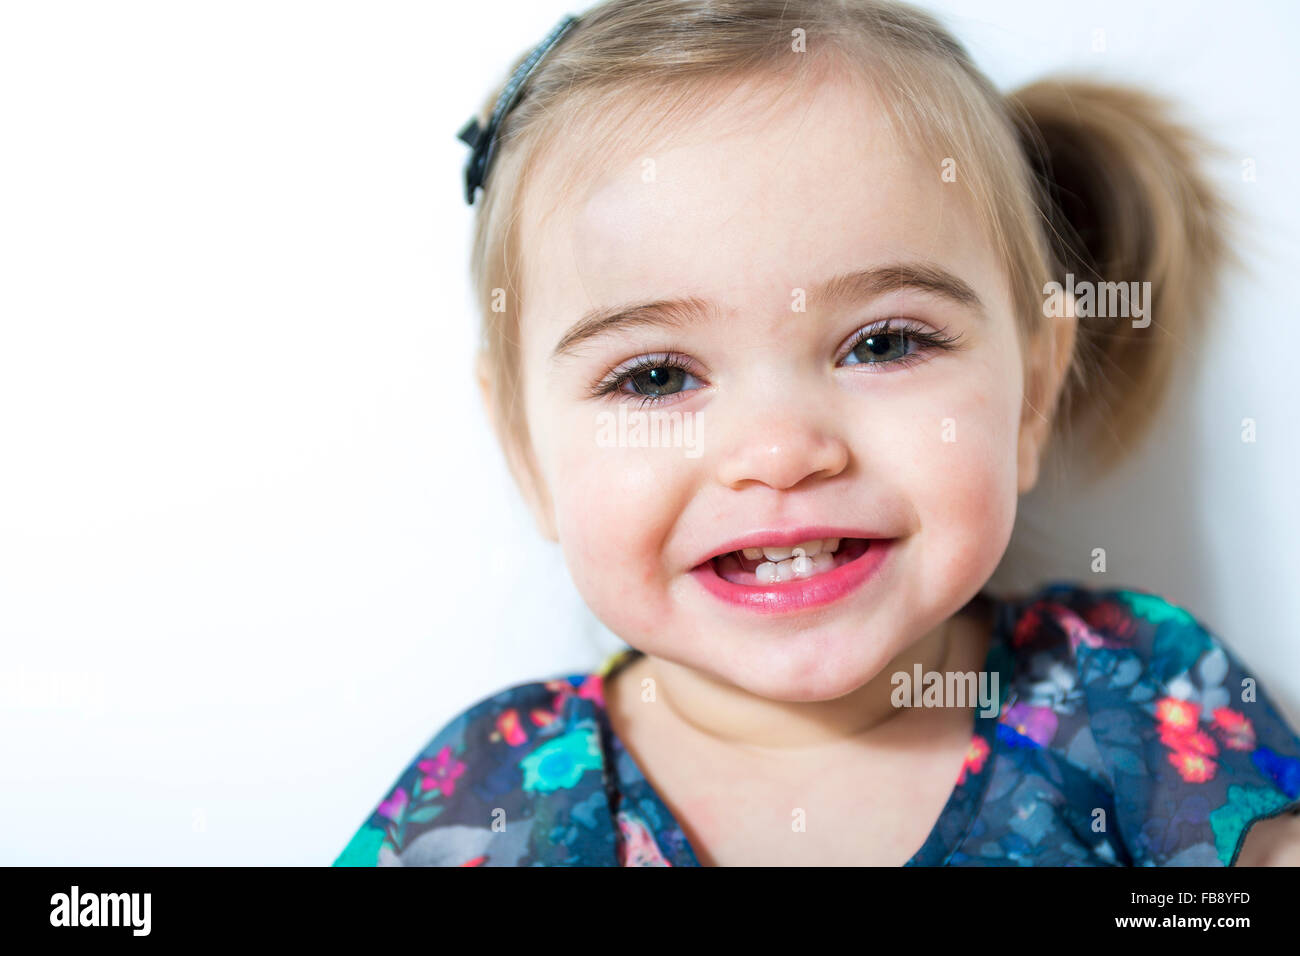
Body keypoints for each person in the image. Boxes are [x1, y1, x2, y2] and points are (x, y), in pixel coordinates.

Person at [334, 0, 1300, 866]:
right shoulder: (483, 804)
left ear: (1033, 393)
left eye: (883, 344)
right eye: (656, 375)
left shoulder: (1136, 694)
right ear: (526, 454)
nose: (782, 451)